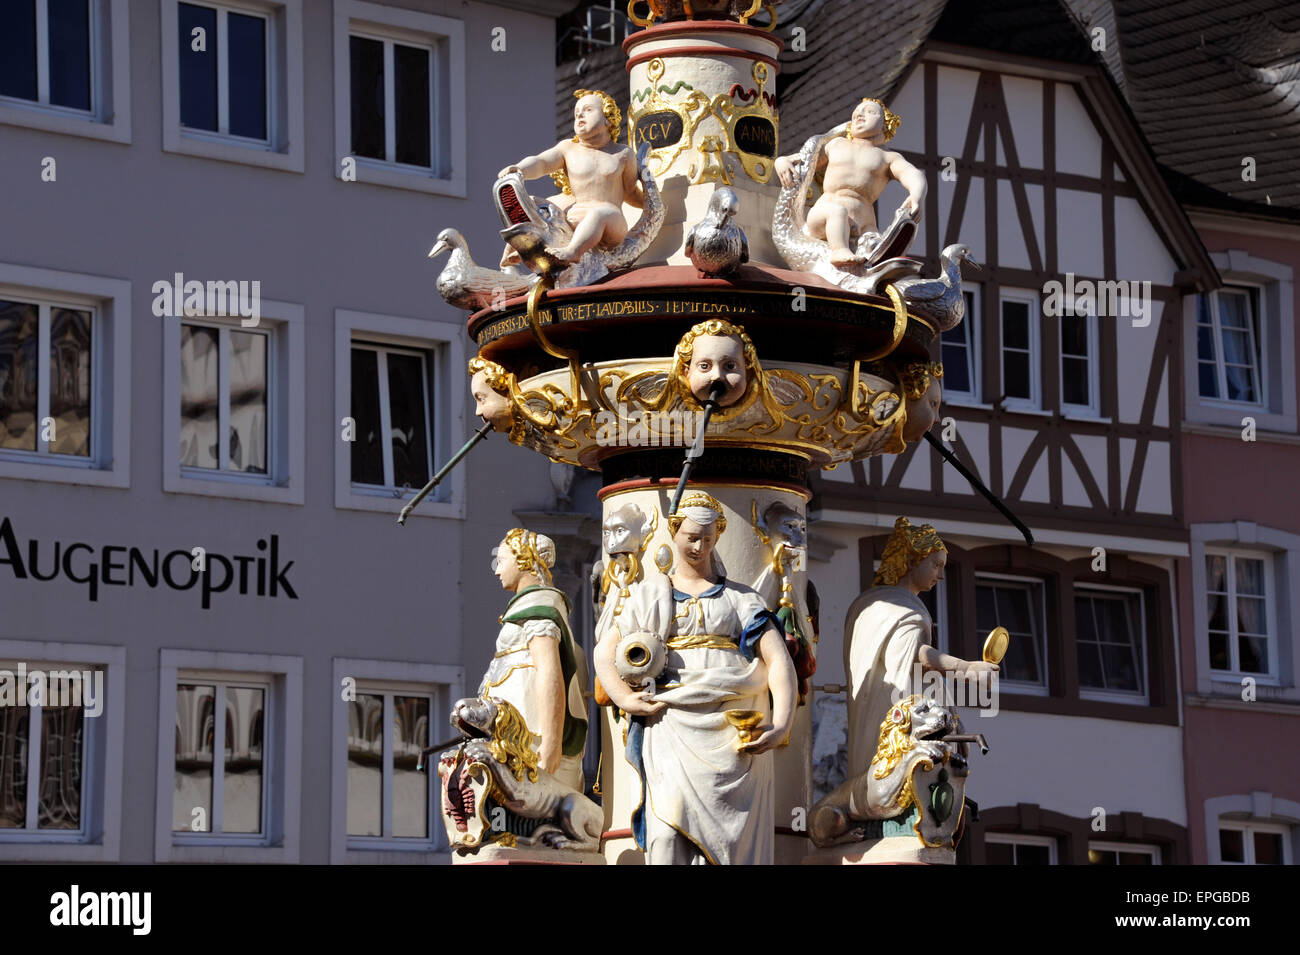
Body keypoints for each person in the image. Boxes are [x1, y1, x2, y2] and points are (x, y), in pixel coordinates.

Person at [595, 493, 797, 865]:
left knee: (734, 841)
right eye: (691, 536)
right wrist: (624, 698)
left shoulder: (741, 599)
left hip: (731, 727)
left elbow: (778, 661)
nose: (699, 545)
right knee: (666, 833)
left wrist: (782, 723)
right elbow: (604, 654)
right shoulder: (648, 595)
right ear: (674, 533)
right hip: (671, 721)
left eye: (707, 537)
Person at [842, 517, 997, 778]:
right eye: (935, 565)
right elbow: (917, 655)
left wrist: (951, 717)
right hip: (897, 731)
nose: (941, 574)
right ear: (913, 560)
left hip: (873, 722)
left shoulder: (868, 603)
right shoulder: (899, 607)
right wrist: (966, 668)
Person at [480, 528, 588, 792]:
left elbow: (549, 669)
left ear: (523, 560)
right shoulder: (529, 605)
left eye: (501, 561)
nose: (496, 570)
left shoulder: (539, 604)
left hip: (532, 737)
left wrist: (551, 742)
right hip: (516, 735)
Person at [774, 98, 927, 267]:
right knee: (837, 212)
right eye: (856, 113)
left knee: (877, 248)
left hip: (864, 226)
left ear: (885, 124)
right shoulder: (837, 144)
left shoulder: (888, 158)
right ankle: (839, 250)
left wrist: (917, 195)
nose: (859, 115)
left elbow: (912, 174)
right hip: (825, 214)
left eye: (870, 112)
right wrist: (781, 161)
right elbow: (804, 161)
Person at [497, 89, 644, 263]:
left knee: (600, 212)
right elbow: (542, 162)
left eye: (588, 110)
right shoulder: (568, 148)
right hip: (576, 215)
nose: (581, 115)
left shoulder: (622, 154)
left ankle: (573, 252)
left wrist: (648, 203)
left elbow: (630, 192)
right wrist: (520, 169)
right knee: (528, 202)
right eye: (576, 113)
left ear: (608, 117)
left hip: (611, 222)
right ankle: (523, 246)